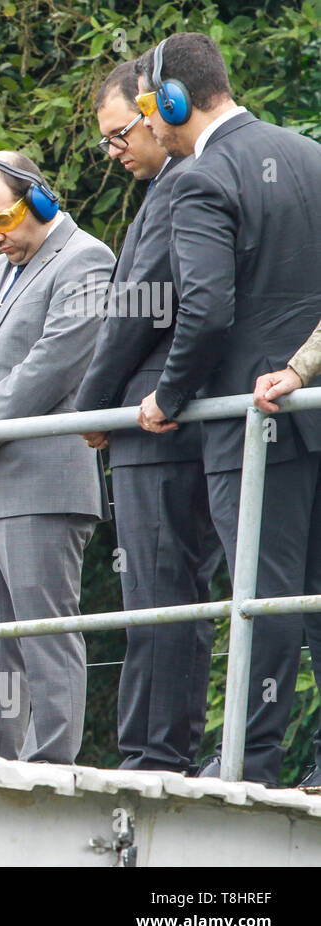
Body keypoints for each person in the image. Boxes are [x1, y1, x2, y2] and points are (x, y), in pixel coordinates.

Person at [134, 32, 321, 786]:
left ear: (174, 101)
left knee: (260, 592)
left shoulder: (201, 177)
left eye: (149, 108)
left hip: (254, 420)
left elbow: (205, 311)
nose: (149, 124)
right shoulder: (309, 154)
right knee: (313, 590)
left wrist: (166, 395)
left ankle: (252, 762)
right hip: (311, 407)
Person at [0, 152, 114, 765]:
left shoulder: (88, 258)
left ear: (39, 199)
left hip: (42, 483)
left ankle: (50, 770)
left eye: (3, 219)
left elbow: (53, 364)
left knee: (44, 634)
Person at [75, 62, 220, 774]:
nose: (116, 151)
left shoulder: (180, 187)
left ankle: (155, 757)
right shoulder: (174, 185)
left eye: (120, 133)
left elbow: (136, 311)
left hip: (153, 426)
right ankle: (161, 751)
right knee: (168, 595)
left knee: (159, 597)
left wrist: (91, 409)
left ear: (155, 109)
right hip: (158, 423)